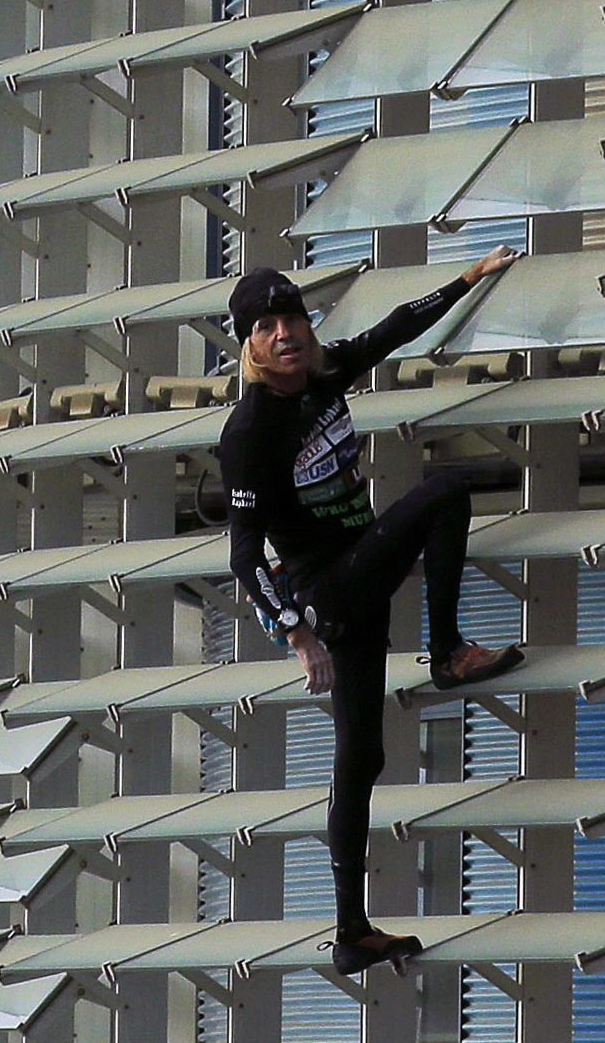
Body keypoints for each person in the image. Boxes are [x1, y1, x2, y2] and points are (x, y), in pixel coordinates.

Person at [217, 252, 525, 972]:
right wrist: (293, 632)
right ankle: (447, 650)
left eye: (291, 316)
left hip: (357, 578)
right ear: (249, 344)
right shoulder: (250, 429)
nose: (285, 332)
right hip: (326, 590)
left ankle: (351, 932)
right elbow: (240, 554)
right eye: (266, 325)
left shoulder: (324, 372)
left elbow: (394, 328)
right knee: (444, 490)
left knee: (361, 758)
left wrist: (468, 277)